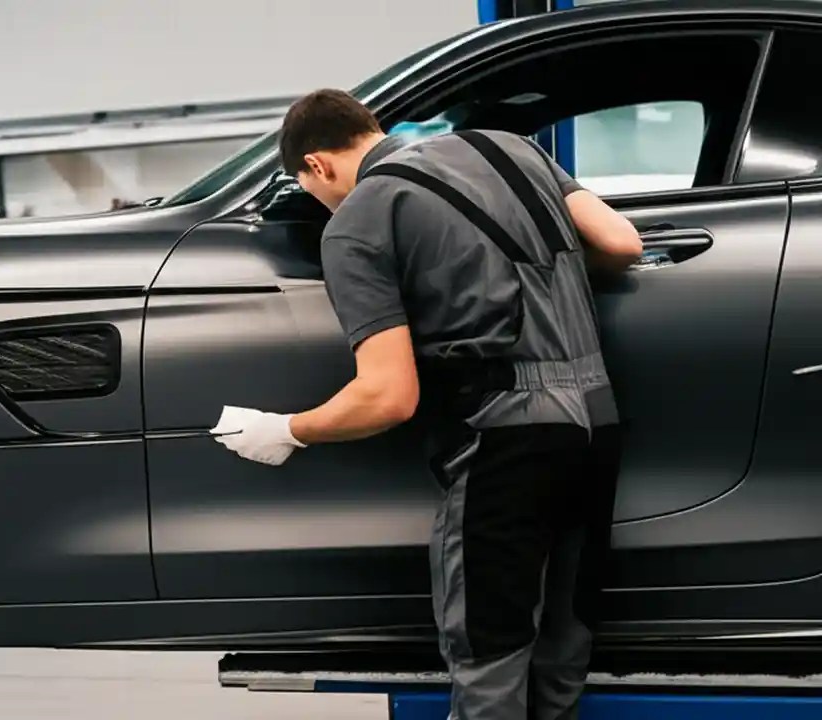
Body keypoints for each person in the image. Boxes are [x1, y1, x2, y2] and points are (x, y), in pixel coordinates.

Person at [210, 89, 642, 719]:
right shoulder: (510, 148)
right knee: (563, 640)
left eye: (311, 190)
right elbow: (623, 243)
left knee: (490, 649)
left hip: (508, 438)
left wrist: (288, 429)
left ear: (317, 165)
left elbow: (388, 396)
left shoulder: (360, 217)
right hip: (597, 420)